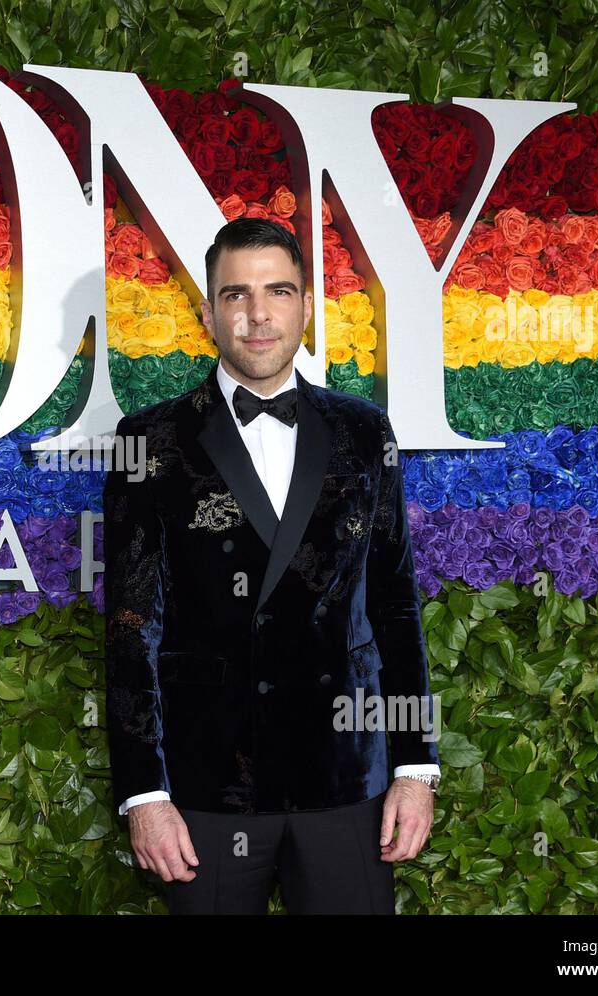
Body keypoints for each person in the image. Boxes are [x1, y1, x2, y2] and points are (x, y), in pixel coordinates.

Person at [102, 217, 440, 914]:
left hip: (346, 774)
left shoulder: (364, 430)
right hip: (206, 786)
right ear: (208, 314)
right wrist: (145, 793)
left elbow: (395, 604)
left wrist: (415, 766)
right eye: (236, 295)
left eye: (278, 291)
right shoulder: (147, 439)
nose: (258, 315)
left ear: (307, 306)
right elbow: (131, 625)